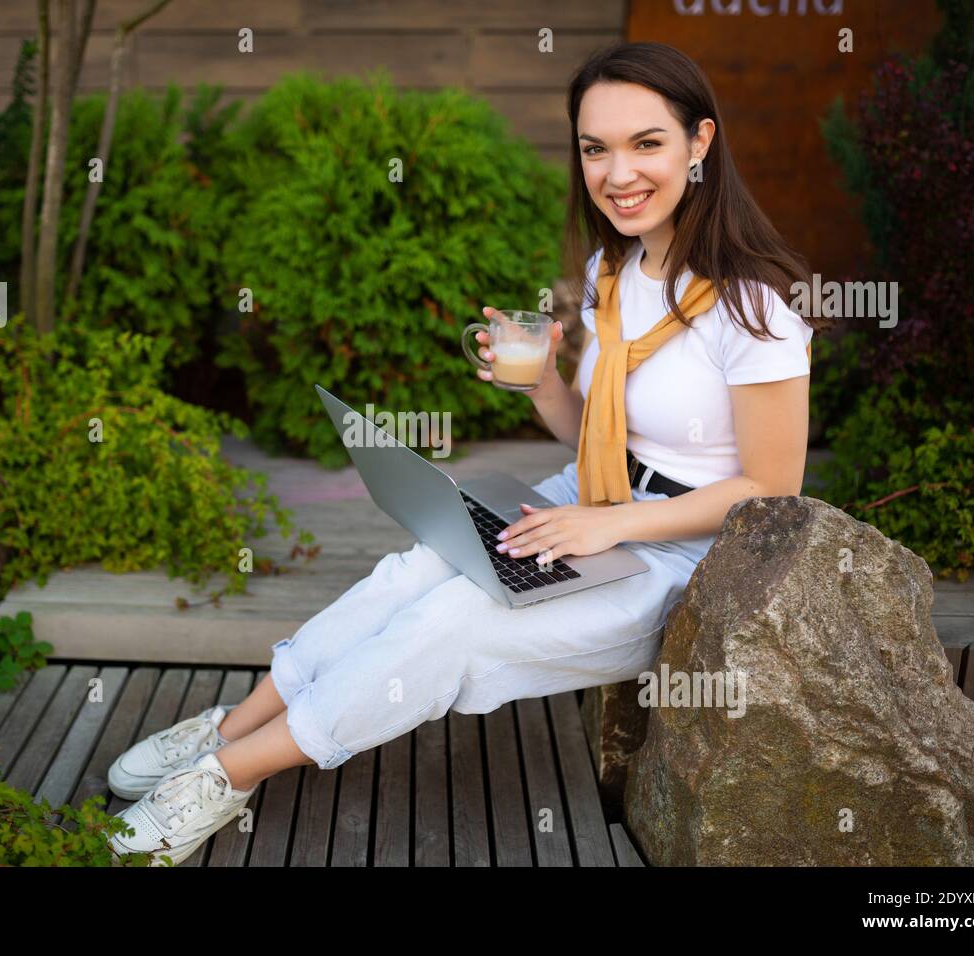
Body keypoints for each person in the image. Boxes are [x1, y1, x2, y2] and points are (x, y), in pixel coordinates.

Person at [105, 40, 820, 865]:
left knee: (449, 621)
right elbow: (593, 432)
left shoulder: (753, 308)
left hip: (681, 559)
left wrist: (611, 523)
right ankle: (228, 725)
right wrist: (547, 385)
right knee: (409, 575)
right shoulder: (613, 270)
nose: (617, 172)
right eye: (595, 148)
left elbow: (773, 489)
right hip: (588, 504)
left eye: (645, 143)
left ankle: (226, 777)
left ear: (700, 144)